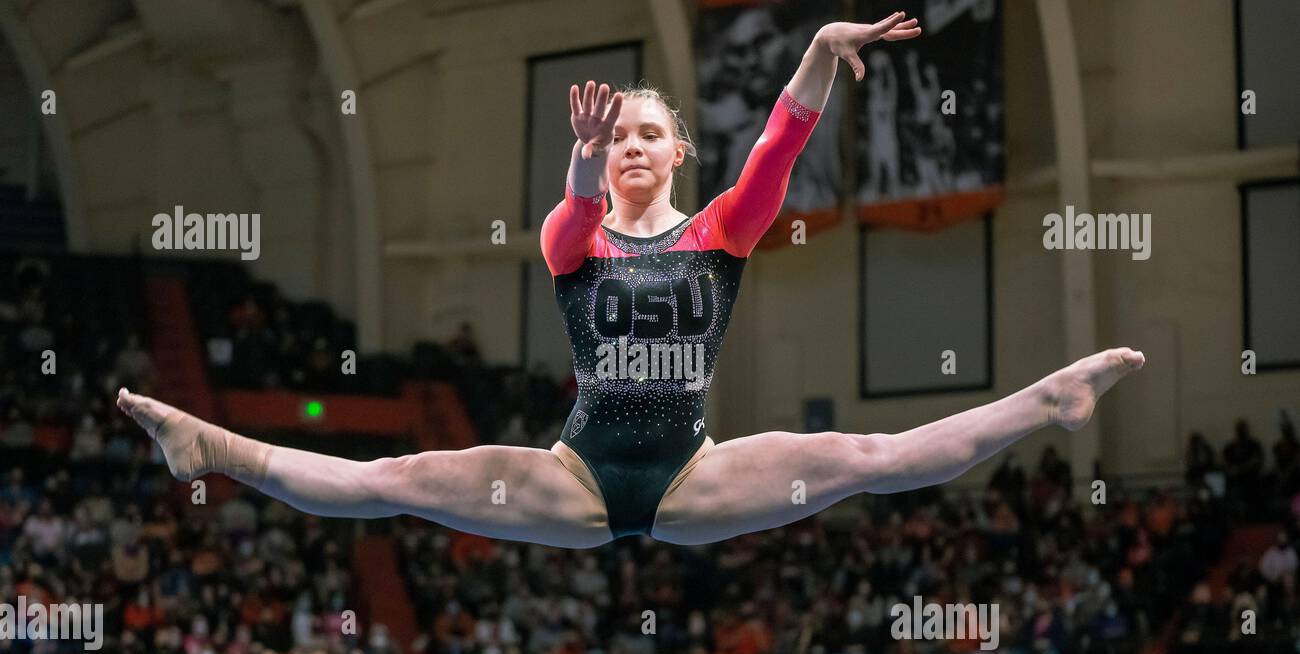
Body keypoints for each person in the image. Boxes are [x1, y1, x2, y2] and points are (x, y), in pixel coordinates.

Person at [116, 12, 1144, 551]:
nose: (632, 146)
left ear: (680, 150)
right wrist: (577, 161)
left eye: (650, 133)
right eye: (620, 138)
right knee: (395, 483)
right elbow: (563, 220)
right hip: (575, 476)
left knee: (868, 453)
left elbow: (778, 151)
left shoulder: (724, 232)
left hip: (697, 477)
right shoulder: (580, 239)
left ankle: (1046, 399)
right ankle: (214, 442)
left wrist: (823, 51)